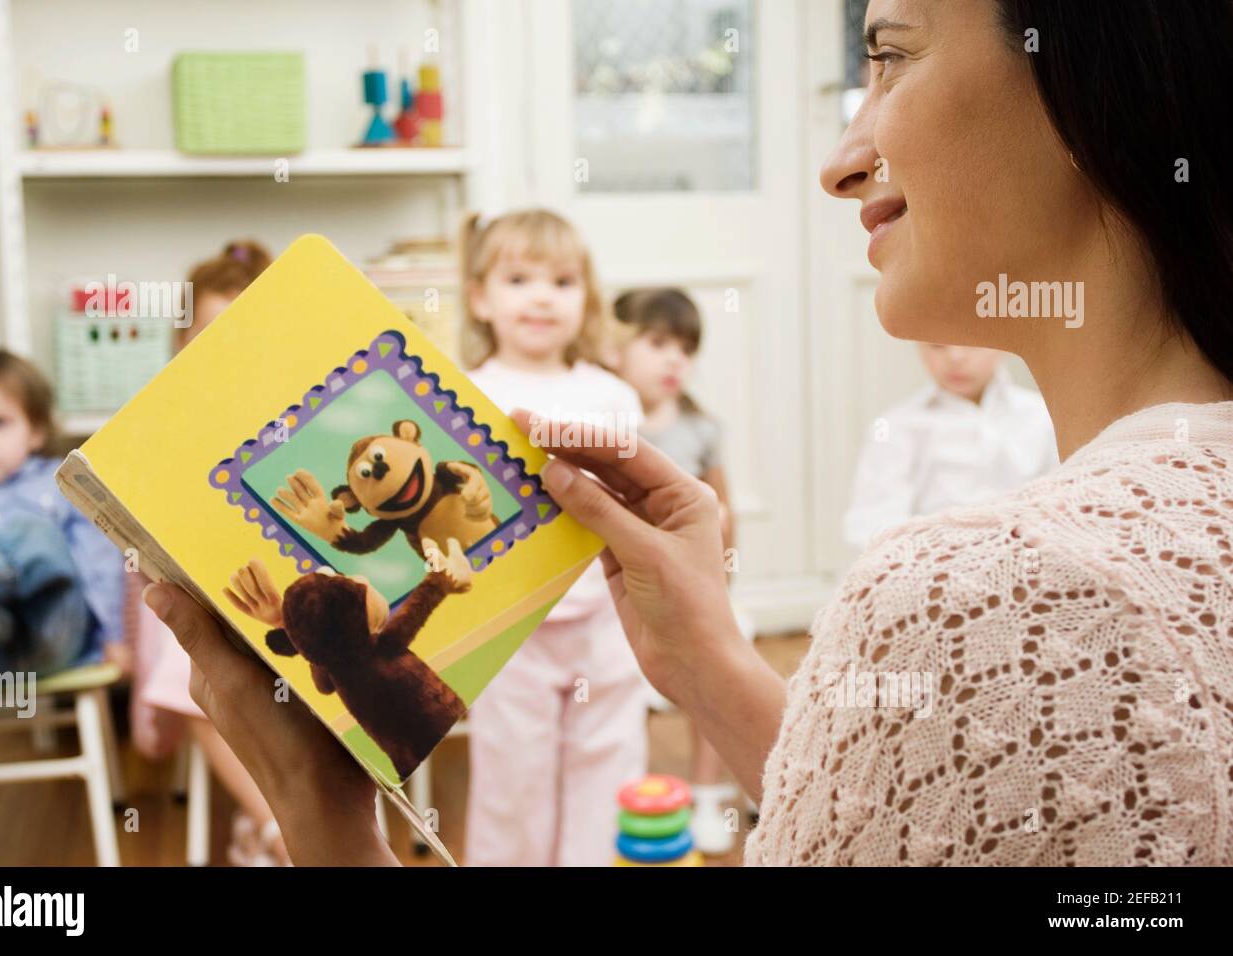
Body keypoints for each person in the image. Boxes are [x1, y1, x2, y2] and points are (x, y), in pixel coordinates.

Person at [142, 0, 1233, 865]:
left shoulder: (998, 590)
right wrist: (709, 659)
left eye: (890, 54)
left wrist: (321, 823)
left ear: (1093, 82)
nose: (842, 158)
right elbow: (946, 821)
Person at [458, 209, 647, 866]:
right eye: (519, 279)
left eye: (562, 282)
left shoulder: (614, 395)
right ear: (480, 297)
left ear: (586, 299)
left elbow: (634, 501)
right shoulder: (467, 394)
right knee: (512, 774)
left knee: (609, 758)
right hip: (511, 620)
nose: (542, 296)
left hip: (606, 613)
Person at [132, 240, 291, 866]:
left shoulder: (295, 414)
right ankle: (276, 828)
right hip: (197, 601)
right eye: (208, 333)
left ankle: (277, 829)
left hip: (275, 601)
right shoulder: (163, 421)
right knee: (193, 673)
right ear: (181, 344)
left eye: (242, 332)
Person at [607, 287, 743, 854]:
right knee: (621, 694)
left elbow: (721, 508)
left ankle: (707, 791)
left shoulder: (701, 427)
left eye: (686, 349)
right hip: (623, 591)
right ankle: (632, 789)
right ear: (616, 349)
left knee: (705, 687)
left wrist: (723, 580)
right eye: (658, 343)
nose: (674, 360)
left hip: (693, 587)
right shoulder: (607, 420)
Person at [0, 350, 124, 677]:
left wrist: (114, 637)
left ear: (35, 430)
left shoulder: (60, 483)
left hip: (48, 635)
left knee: (34, 531)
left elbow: (98, 563)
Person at [844, 343, 1057, 551]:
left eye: (972, 343)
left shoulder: (1045, 417)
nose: (955, 357)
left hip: (1028, 563)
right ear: (918, 347)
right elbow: (872, 520)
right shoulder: (893, 426)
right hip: (930, 566)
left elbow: (1060, 508)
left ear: (1004, 343)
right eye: (937, 346)